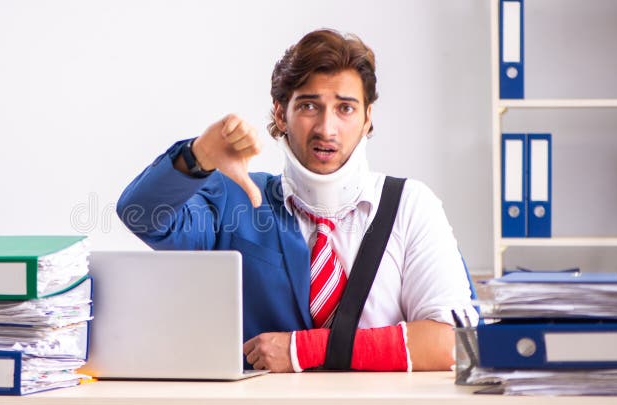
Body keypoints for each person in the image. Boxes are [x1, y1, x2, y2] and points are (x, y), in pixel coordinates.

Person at [116, 28, 477, 373]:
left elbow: (451, 342)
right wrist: (197, 156)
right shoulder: (236, 198)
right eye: (308, 106)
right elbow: (142, 215)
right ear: (280, 114)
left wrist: (301, 349)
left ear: (368, 118)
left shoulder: (411, 205)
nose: (326, 128)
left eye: (345, 108)